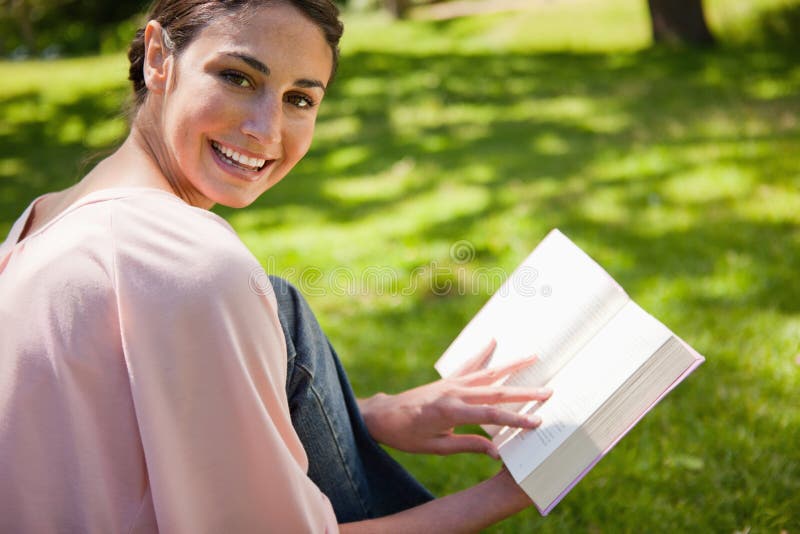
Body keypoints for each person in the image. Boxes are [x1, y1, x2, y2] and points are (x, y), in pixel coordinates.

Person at [0, 0, 553, 531]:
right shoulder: (189, 262)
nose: (267, 130)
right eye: (238, 78)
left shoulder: (39, 222)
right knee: (279, 301)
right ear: (158, 57)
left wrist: (369, 416)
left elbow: (133, 427)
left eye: (300, 100)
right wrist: (513, 490)